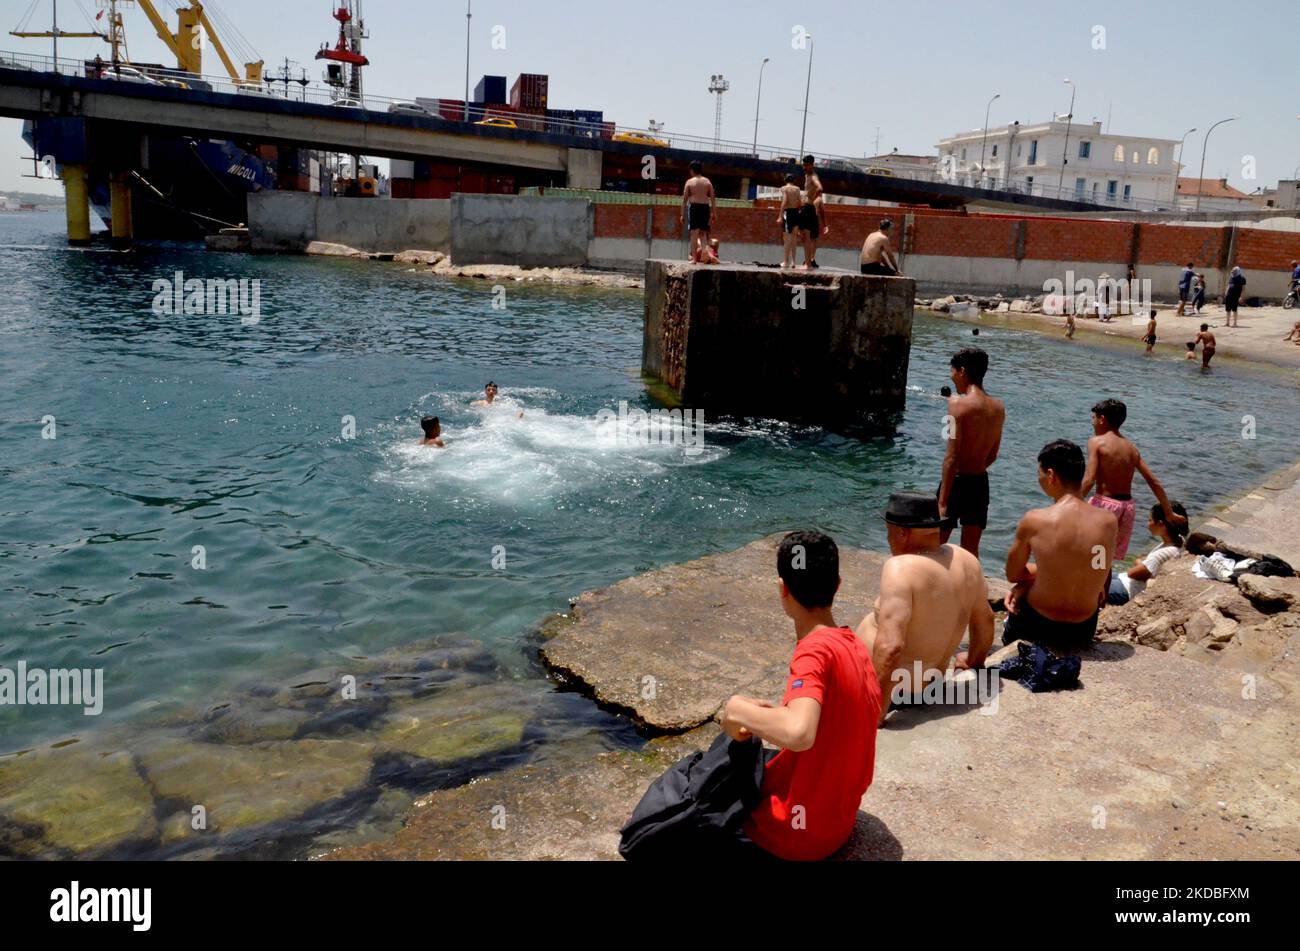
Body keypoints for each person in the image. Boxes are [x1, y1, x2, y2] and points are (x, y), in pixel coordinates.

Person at [718, 531, 880, 861]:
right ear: (837, 585)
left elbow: (799, 733)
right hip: (836, 825)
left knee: (689, 795)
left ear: (782, 589)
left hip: (795, 838)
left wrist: (736, 708)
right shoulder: (853, 646)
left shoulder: (814, 652)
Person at [854, 492, 995, 724]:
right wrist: (973, 662)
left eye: (888, 531)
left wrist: (876, 712)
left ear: (901, 532)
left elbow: (891, 646)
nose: (888, 538)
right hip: (932, 685)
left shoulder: (900, 568)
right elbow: (985, 619)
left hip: (896, 694)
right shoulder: (966, 559)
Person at [1003, 440, 1118, 651]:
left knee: (1017, 602)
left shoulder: (1035, 520)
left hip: (1036, 624)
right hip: (1082, 629)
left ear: (1050, 475)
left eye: (1038, 473)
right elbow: (1099, 567)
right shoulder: (1108, 522)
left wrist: (1026, 583)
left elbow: (1013, 573)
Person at [1081, 398, 1184, 561]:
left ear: (1102, 419)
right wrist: (1168, 512)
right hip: (1126, 509)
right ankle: (1103, 587)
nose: (1092, 423)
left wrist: (1070, 502)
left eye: (1093, 418)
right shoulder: (1131, 448)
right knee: (1106, 559)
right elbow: (1154, 482)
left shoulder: (1096, 442)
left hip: (1105, 505)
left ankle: (1087, 586)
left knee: (1090, 556)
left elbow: (1089, 479)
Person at [937, 347, 1005, 558]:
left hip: (955, 482)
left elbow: (951, 457)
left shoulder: (956, 406)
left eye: (953, 371)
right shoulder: (998, 408)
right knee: (970, 551)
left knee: (935, 545)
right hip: (979, 483)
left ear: (962, 371)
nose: (952, 376)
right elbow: (993, 454)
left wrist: (942, 502)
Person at [1106, 501, 1189, 605]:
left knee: (1089, 588)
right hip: (1126, 580)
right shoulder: (1180, 540)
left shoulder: (1164, 553)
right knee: (1094, 577)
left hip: (1128, 590)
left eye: (1150, 520)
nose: (1148, 524)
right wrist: (1144, 564)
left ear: (1161, 524)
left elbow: (1132, 573)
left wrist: (1139, 561)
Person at [681, 161, 715, 263]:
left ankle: (694, 259)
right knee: (703, 233)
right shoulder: (707, 181)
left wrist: (682, 214)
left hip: (695, 208)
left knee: (694, 234)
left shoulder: (690, 182)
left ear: (692, 170)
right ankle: (706, 253)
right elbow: (712, 198)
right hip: (705, 208)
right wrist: (714, 212)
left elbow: (684, 200)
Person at [798, 155, 823, 269]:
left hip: (808, 208)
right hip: (807, 208)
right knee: (804, 236)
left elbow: (819, 188)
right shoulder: (806, 175)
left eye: (807, 165)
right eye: (803, 165)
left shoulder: (813, 176)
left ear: (812, 165)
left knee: (807, 237)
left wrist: (810, 199)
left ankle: (808, 263)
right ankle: (808, 262)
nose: (804, 167)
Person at [777, 174, 803, 268]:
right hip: (796, 213)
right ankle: (793, 262)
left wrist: (780, 215)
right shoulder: (797, 189)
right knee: (794, 239)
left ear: (785, 180)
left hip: (787, 213)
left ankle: (785, 262)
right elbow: (800, 202)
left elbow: (784, 201)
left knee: (787, 239)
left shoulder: (784, 188)